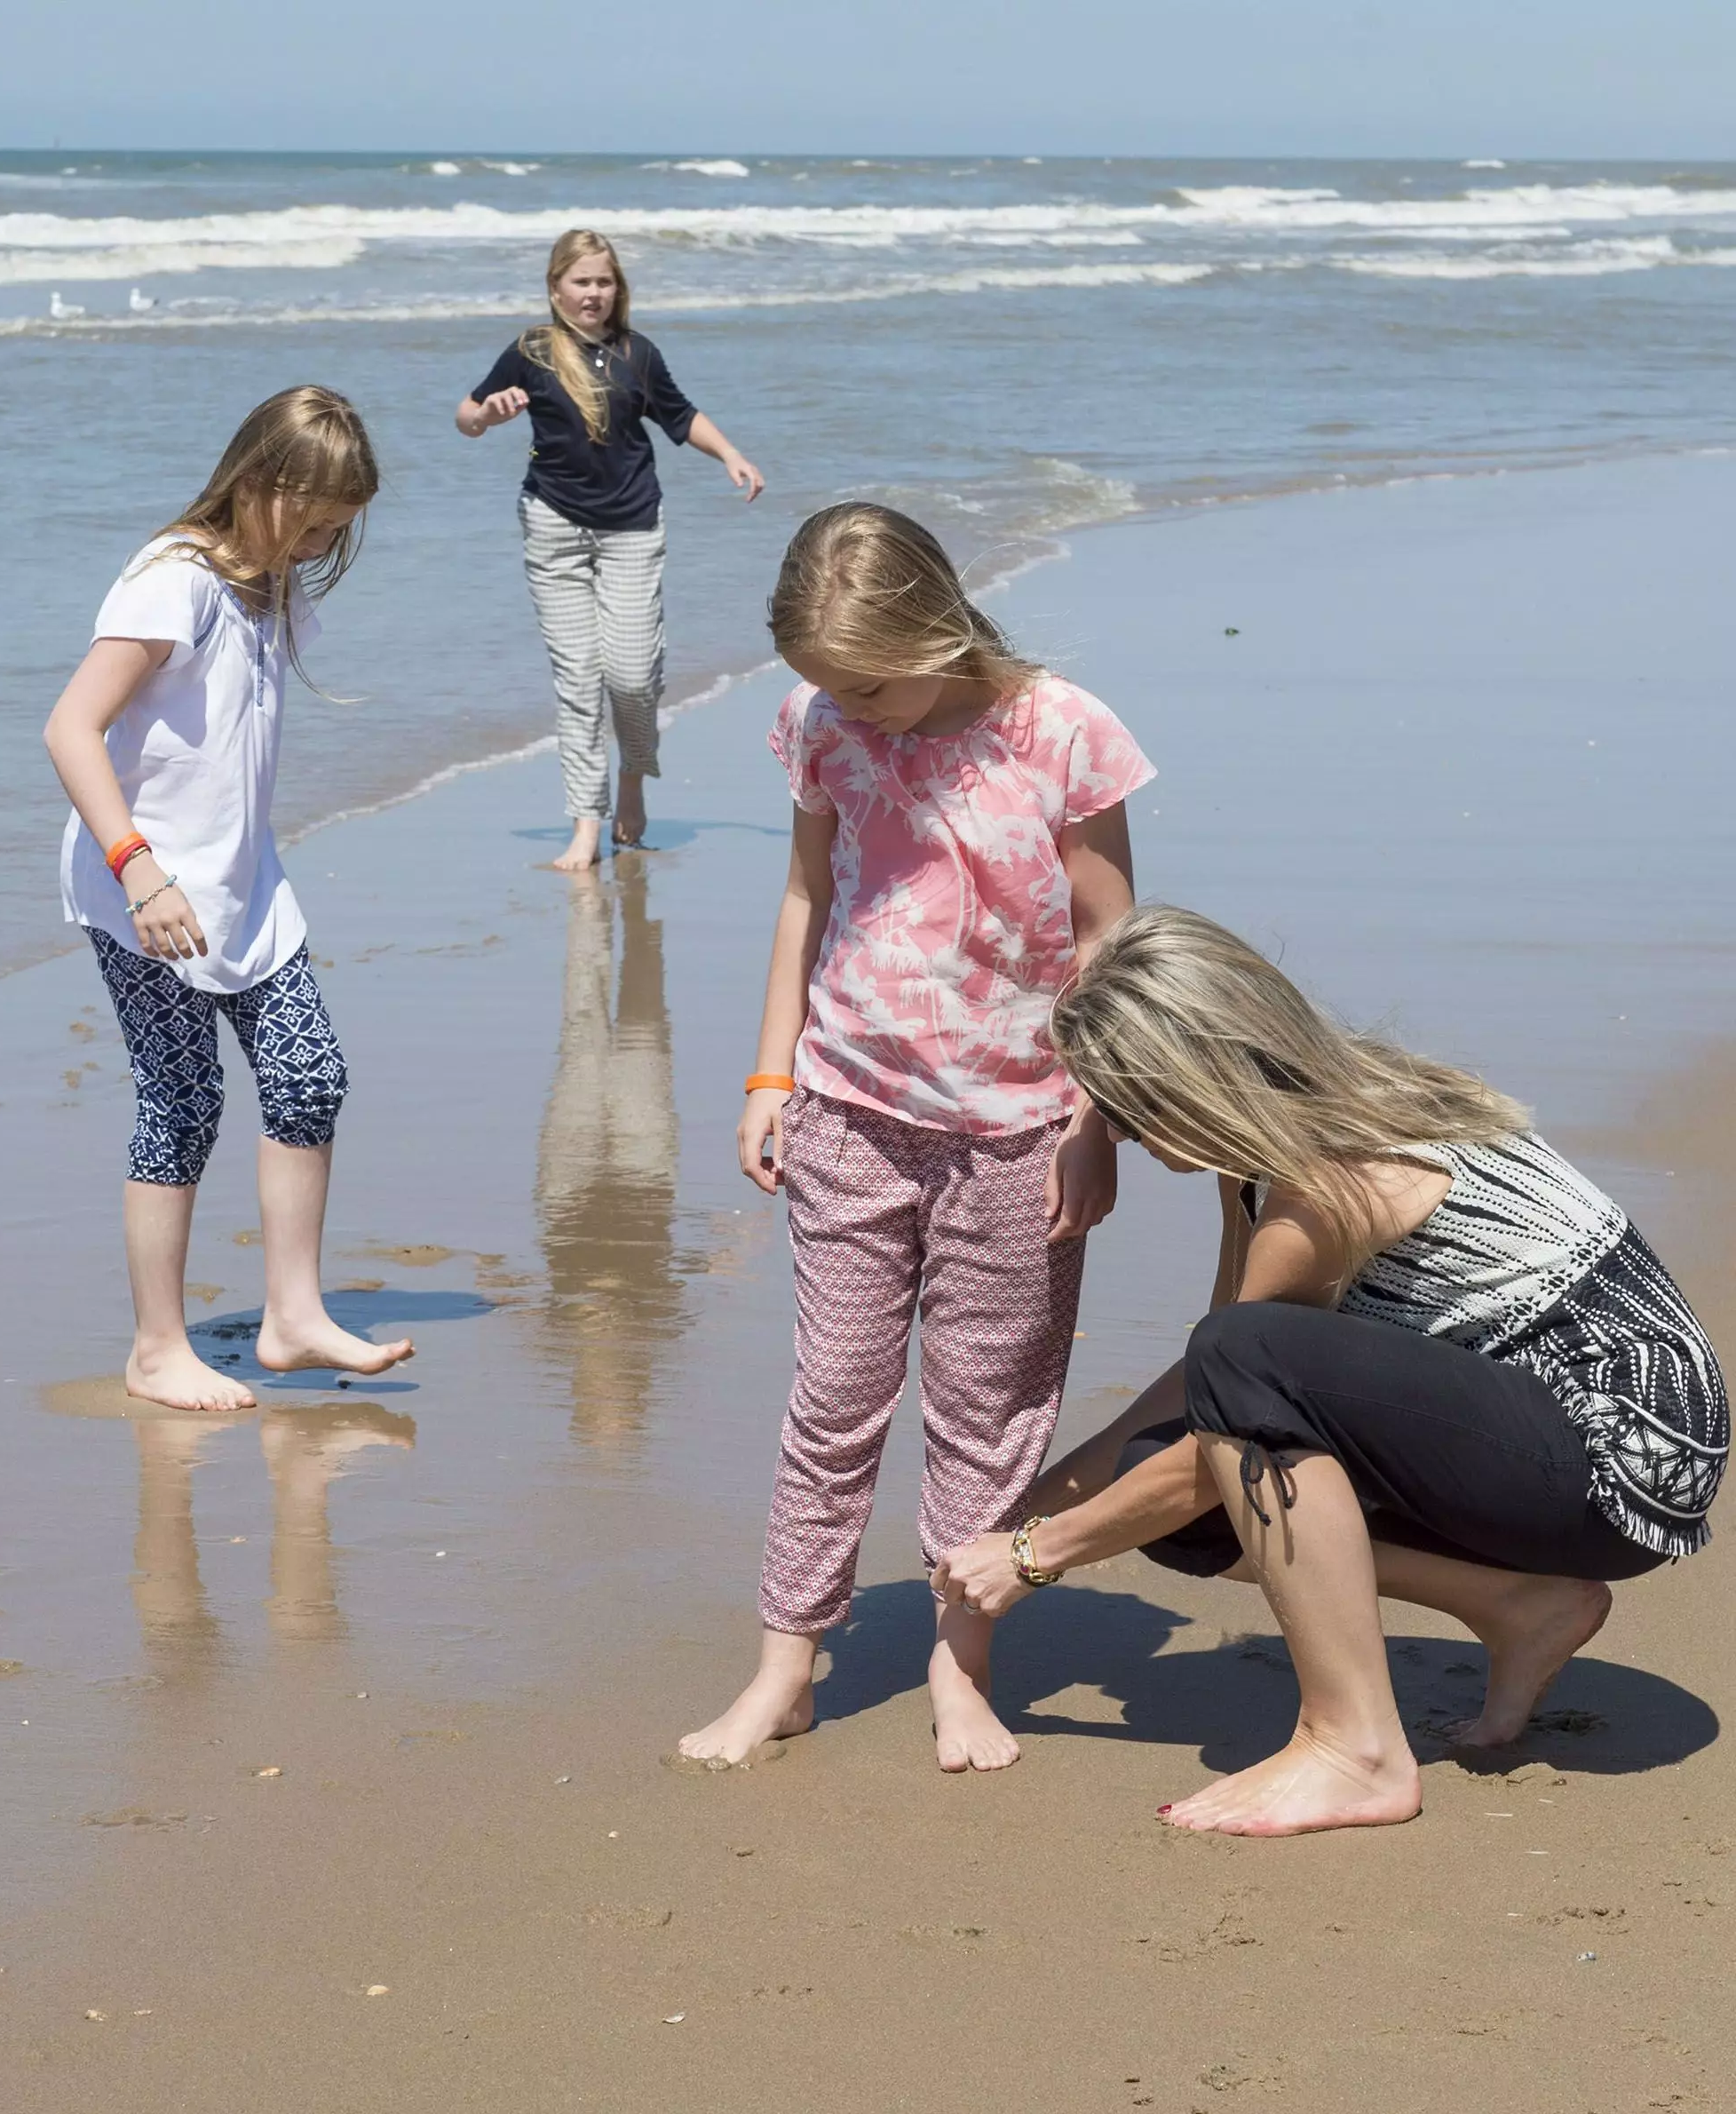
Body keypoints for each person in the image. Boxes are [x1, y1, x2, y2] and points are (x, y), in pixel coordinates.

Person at [931, 905, 1729, 1833]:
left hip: (1620, 1461)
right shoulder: (1276, 1150)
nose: (1116, 1133)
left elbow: (1233, 1378)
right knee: (1188, 1453)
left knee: (1232, 1373)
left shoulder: (1329, 1179)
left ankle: (1355, 1748)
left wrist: (1037, 1552)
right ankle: (1521, 1604)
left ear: (1191, 1074)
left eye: (1125, 1104)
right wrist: (1032, 1504)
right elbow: (1207, 1400)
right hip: (1563, 1448)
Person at [678, 503, 1155, 1774]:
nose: (854, 707)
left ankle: (962, 1664)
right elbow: (806, 892)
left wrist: (1095, 1122)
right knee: (831, 1398)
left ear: (937, 626)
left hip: (1022, 1130)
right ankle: (785, 1667)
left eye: (871, 681)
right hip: (847, 1109)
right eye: (828, 686)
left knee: (987, 1408)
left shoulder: (1063, 730)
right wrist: (769, 1072)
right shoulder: (820, 724)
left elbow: (1112, 937)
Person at [44, 385, 416, 1414]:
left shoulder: (270, 588)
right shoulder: (173, 582)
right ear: (263, 484)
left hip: (243, 883)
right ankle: (157, 1347)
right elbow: (70, 729)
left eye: (339, 528)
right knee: (182, 1104)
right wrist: (136, 865)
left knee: (308, 1079)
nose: (324, 544)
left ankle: (291, 1315)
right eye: (317, 523)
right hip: (143, 890)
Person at [456, 228, 764, 870]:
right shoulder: (531, 351)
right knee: (577, 683)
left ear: (618, 288)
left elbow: (681, 418)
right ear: (554, 288)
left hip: (631, 528)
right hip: (553, 528)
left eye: (604, 281)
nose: (593, 293)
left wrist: (731, 453)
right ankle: (585, 828)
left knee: (630, 677)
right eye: (581, 281)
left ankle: (633, 777)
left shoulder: (637, 354)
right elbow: (467, 413)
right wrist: (490, 415)